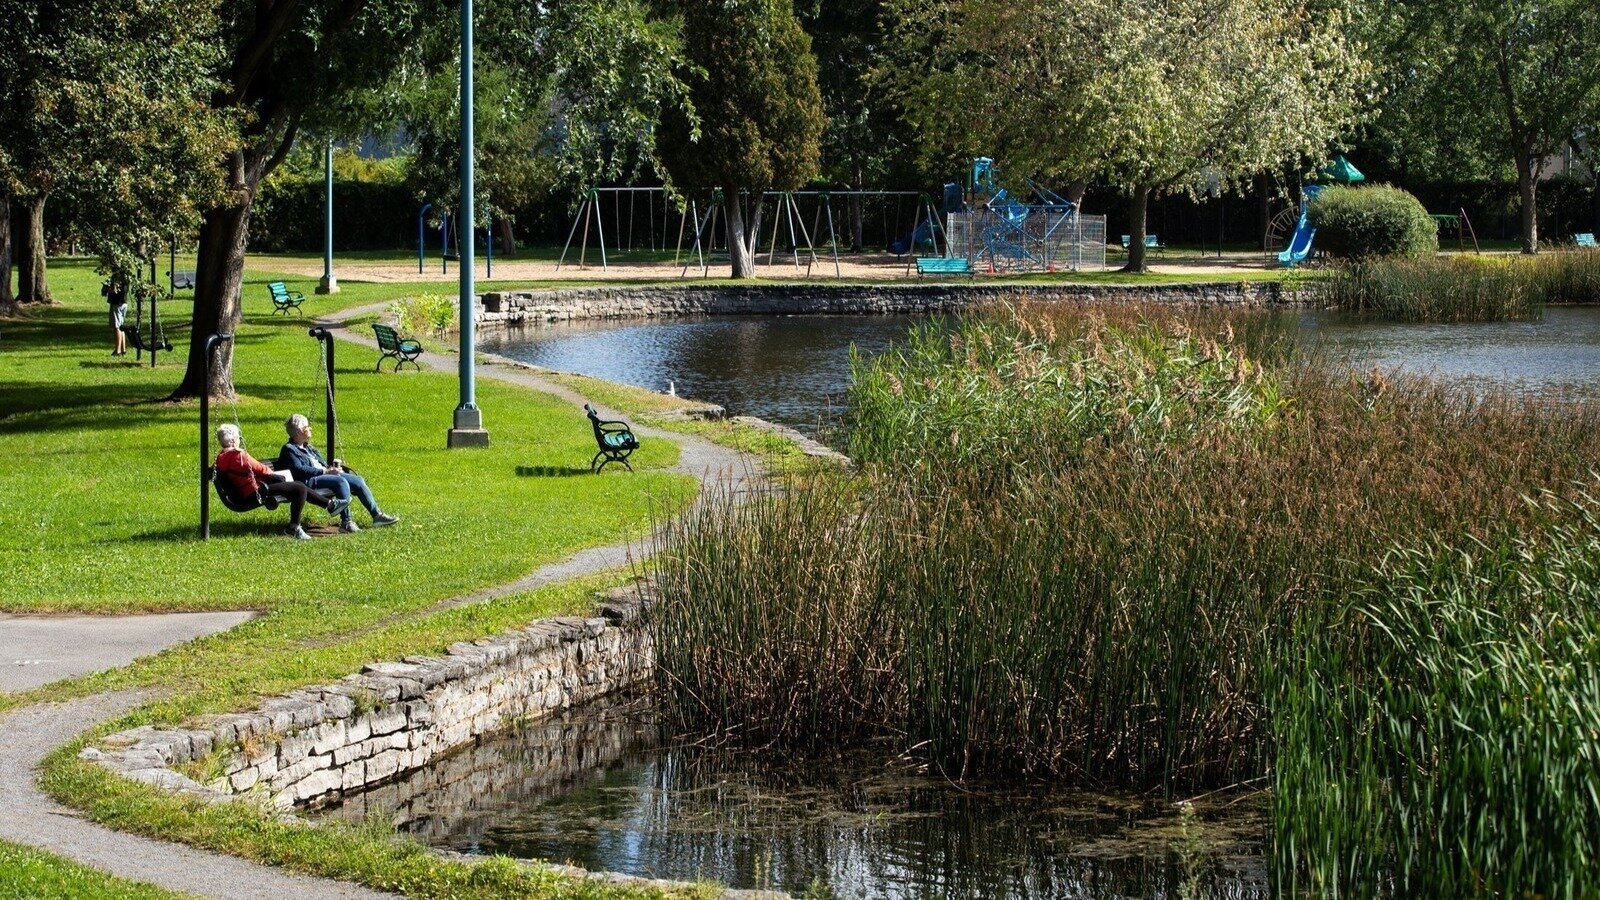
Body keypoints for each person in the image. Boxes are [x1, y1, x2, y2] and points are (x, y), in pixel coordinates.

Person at [214, 423, 348, 540]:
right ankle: (294, 527)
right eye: (238, 437)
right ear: (232, 440)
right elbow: (260, 468)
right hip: (254, 491)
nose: (239, 440)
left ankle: (330, 505)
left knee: (298, 486)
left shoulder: (221, 457)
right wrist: (275, 476)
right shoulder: (238, 455)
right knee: (299, 489)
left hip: (244, 492)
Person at [276, 414, 399, 533]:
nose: (310, 428)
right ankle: (347, 522)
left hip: (323, 475)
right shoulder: (289, 449)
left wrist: (331, 469)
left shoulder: (308, 447)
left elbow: (321, 464)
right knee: (341, 481)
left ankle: (377, 515)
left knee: (358, 480)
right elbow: (299, 470)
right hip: (310, 480)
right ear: (298, 432)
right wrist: (325, 471)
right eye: (306, 427)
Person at [103, 276, 128, 356]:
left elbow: (114, 290)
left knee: (117, 327)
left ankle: (117, 351)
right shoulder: (126, 275)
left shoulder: (117, 276)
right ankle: (123, 349)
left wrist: (106, 289)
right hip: (124, 302)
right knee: (121, 326)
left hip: (116, 303)